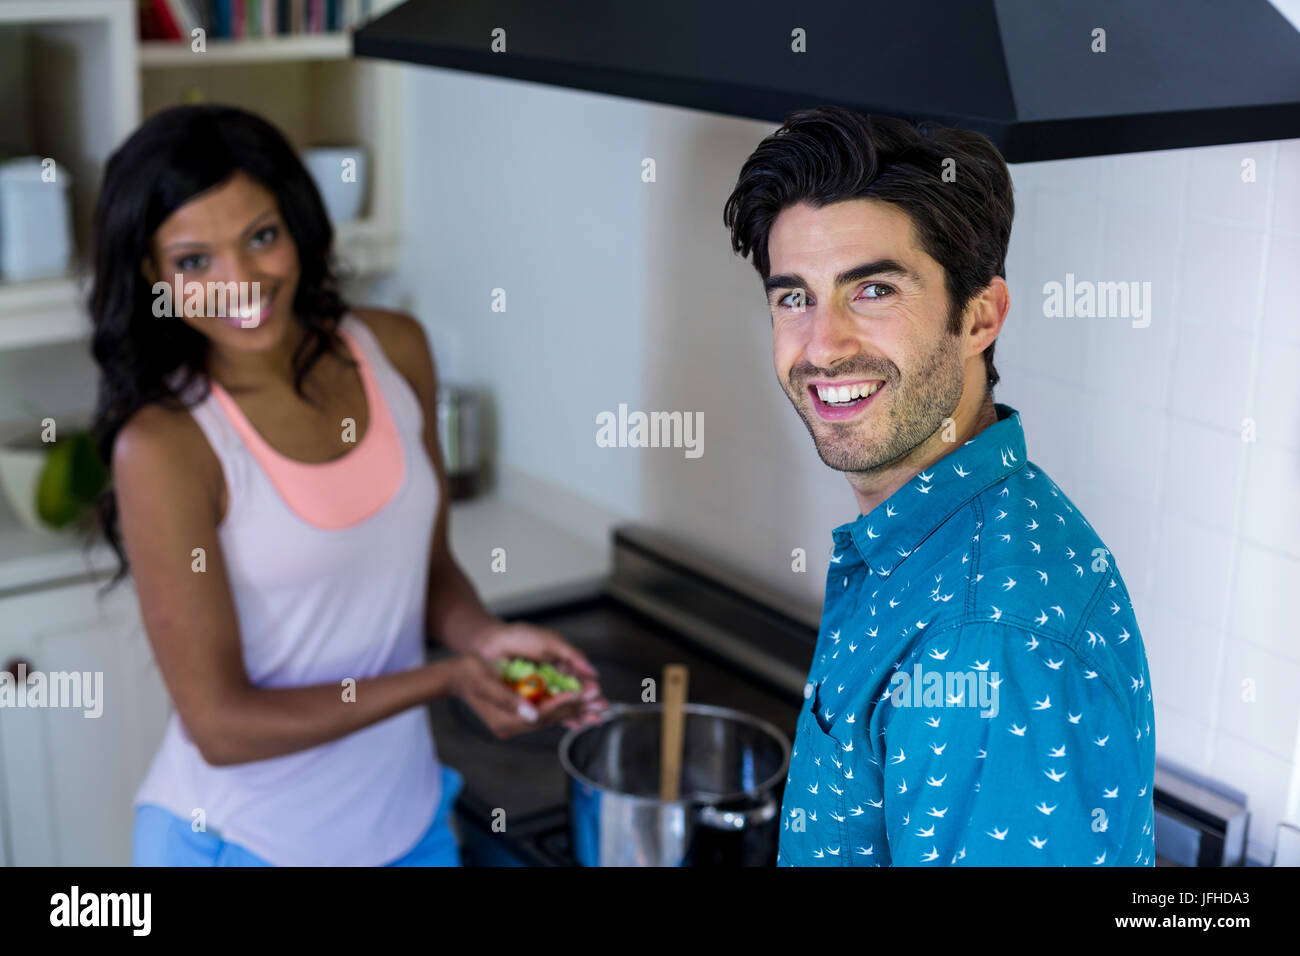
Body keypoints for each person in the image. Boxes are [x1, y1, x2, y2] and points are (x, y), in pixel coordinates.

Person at [89, 104, 607, 867]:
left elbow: (425, 572)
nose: (240, 282)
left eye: (261, 237)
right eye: (196, 261)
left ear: (296, 226)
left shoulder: (394, 349)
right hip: (241, 845)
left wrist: (485, 640)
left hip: (410, 830)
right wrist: (447, 678)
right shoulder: (166, 444)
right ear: (154, 276)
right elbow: (221, 725)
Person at [722, 106, 1156, 866]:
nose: (823, 346)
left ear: (980, 315)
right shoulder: (929, 542)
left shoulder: (982, 644)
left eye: (873, 291)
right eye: (794, 297)